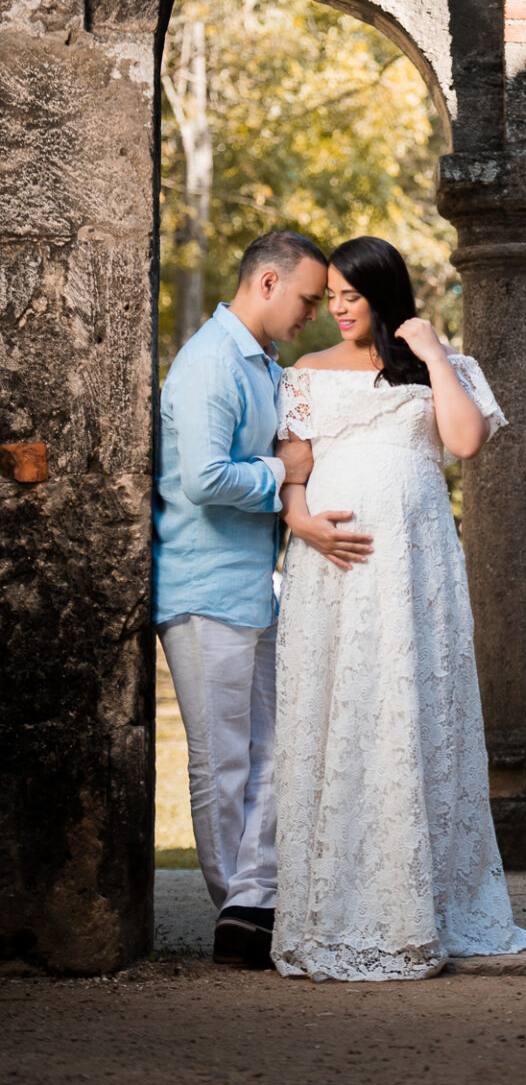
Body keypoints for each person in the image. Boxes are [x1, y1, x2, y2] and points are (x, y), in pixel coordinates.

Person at [271, 235, 526, 981]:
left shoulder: (441, 370)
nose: (339, 310)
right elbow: (295, 465)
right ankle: (333, 909)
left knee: (412, 709)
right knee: (341, 710)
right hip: (332, 565)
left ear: (386, 298)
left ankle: (420, 903)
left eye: (352, 297)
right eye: (330, 297)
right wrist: (300, 517)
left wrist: (432, 352)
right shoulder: (304, 374)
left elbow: (464, 442)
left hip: (415, 567)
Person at [153, 230, 373, 969]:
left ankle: (258, 897)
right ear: (269, 284)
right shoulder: (208, 365)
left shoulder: (262, 363)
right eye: (310, 297)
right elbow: (204, 479)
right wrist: (281, 475)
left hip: (254, 588)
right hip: (201, 588)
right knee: (221, 761)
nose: (315, 312)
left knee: (277, 748)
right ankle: (236, 910)